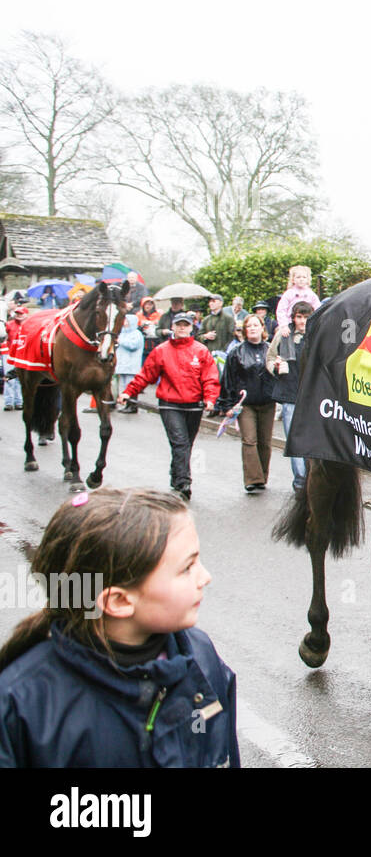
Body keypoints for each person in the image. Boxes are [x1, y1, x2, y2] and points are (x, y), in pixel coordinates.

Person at [0, 488, 238, 767]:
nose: (205, 577)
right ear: (118, 600)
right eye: (187, 567)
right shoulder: (21, 703)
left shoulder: (202, 656)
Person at [118, 312, 219, 502]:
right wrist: (128, 392)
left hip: (194, 405)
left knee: (186, 444)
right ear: (172, 327)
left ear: (191, 328)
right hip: (170, 404)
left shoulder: (200, 350)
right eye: (178, 324)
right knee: (180, 442)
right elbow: (145, 375)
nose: (182, 328)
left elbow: (210, 377)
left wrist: (210, 398)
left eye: (185, 325)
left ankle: (176, 474)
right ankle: (184, 482)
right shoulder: (161, 350)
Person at [216, 312, 276, 493]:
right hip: (245, 403)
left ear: (262, 329)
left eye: (255, 325)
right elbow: (228, 378)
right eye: (249, 326)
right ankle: (253, 479)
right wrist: (226, 405)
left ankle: (262, 477)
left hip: (267, 402)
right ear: (244, 330)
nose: (252, 329)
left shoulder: (270, 349)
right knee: (249, 440)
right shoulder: (236, 352)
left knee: (265, 441)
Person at [269, 301, 311, 492]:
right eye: (299, 317)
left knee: (310, 440)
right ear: (293, 317)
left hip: (311, 396)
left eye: (306, 317)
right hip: (289, 393)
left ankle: (310, 480)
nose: (302, 321)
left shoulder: (316, 335)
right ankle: (300, 481)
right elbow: (269, 357)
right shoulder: (283, 335)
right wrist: (275, 366)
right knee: (293, 440)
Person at [113, 313, 145, 414]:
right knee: (123, 386)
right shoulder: (122, 333)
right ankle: (126, 404)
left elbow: (133, 345)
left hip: (131, 365)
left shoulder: (136, 334)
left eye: (126, 321)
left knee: (130, 385)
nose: (125, 323)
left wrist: (120, 341)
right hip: (122, 365)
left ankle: (132, 405)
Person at [275, 265, 320, 329]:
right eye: (298, 277)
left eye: (304, 277)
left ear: (308, 280)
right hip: (290, 325)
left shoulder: (311, 295)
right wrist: (284, 325)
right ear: (293, 280)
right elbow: (281, 310)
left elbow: (318, 310)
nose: (301, 279)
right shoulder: (289, 294)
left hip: (307, 325)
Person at [200, 294, 235, 359]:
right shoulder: (206, 320)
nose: (211, 303)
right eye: (210, 301)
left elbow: (232, 338)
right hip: (208, 356)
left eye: (213, 301)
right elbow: (198, 337)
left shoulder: (228, 319)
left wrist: (224, 352)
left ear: (221, 303)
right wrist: (205, 336)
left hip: (224, 356)